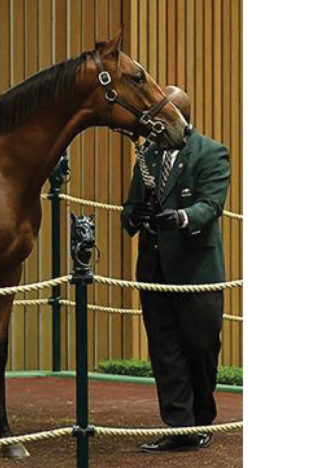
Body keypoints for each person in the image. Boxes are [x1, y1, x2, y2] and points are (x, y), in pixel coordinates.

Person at [120, 86, 230, 453]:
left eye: (161, 121)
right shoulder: (148, 157)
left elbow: (210, 205)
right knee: (164, 350)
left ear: (179, 119)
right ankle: (179, 426)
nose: (155, 129)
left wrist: (180, 218)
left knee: (200, 349)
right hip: (154, 270)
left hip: (197, 272)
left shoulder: (212, 153)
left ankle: (202, 421)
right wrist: (133, 216)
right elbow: (130, 208)